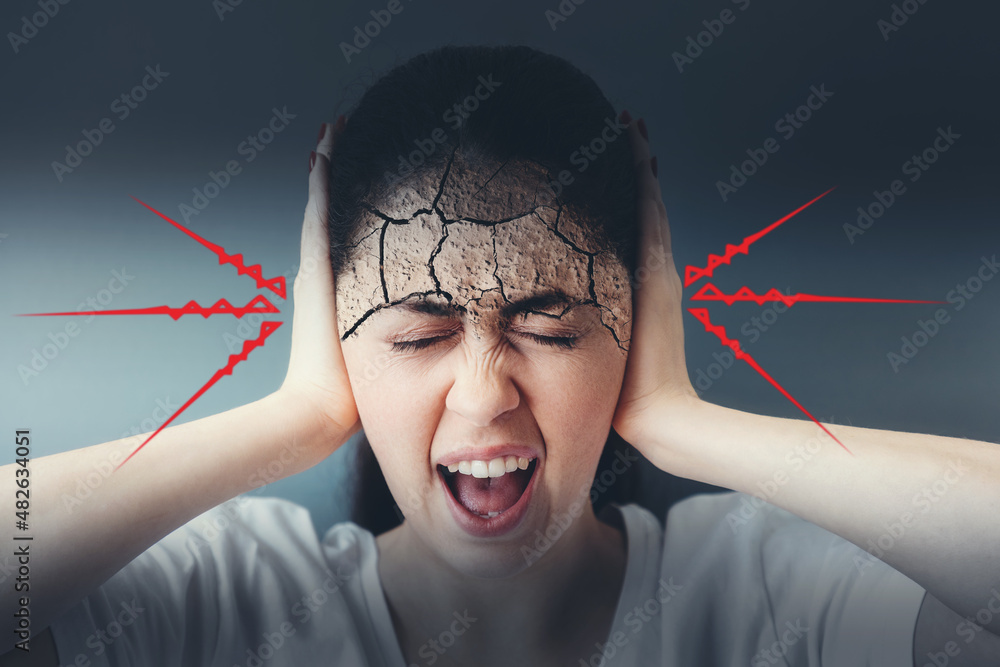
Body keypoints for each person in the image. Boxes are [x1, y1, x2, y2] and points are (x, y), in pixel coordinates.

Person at [2, 45, 999, 667]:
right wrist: (294, 414)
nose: (484, 395)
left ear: (638, 321)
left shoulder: (771, 599)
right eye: (417, 331)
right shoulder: (223, 598)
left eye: (550, 324)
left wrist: (677, 420)